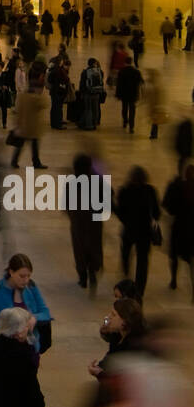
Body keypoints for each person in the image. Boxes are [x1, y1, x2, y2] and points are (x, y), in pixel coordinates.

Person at [0, 253, 52, 353]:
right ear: (11, 272)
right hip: (4, 349)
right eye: (22, 276)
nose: (26, 280)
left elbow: (46, 313)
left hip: (30, 347)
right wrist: (10, 321)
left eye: (28, 276)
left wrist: (34, 318)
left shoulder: (31, 286)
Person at [114, 166, 161, 300]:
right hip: (144, 232)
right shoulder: (150, 191)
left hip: (129, 229)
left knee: (126, 252)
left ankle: (126, 272)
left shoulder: (125, 191)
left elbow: (119, 212)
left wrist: (126, 220)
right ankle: (140, 288)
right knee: (143, 261)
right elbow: (156, 213)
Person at [64, 153, 107, 290]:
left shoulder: (72, 183)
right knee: (94, 245)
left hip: (78, 222)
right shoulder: (98, 181)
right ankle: (93, 269)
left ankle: (82, 277)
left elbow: (66, 204)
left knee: (79, 248)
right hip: (94, 221)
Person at [88, 298, 146, 381]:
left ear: (124, 321)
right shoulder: (119, 334)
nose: (109, 317)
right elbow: (112, 354)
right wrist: (100, 366)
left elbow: (120, 380)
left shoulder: (133, 347)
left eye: (113, 315)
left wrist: (99, 373)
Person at [162, 164, 194, 297]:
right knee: (191, 259)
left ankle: (174, 280)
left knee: (174, 255)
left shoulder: (177, 186)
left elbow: (168, 205)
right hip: (192, 228)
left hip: (179, 226)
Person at [9, 79, 48, 170]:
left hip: (23, 125)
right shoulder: (36, 98)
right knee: (34, 145)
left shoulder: (22, 96)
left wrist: (17, 124)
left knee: (20, 145)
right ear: (37, 88)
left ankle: (14, 161)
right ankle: (36, 163)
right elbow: (45, 104)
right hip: (32, 127)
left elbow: (17, 110)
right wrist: (42, 95)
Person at [115, 54, 143, 133]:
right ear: (131, 62)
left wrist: (118, 94)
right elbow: (141, 82)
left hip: (124, 94)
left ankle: (125, 121)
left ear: (125, 62)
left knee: (124, 108)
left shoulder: (122, 71)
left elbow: (119, 84)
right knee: (132, 111)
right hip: (133, 94)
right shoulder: (136, 72)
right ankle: (131, 127)